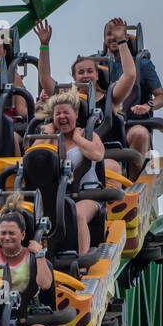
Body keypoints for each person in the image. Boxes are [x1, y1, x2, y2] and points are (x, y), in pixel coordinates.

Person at [41, 89, 105, 254]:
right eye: (58, 113)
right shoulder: (50, 138)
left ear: (76, 114)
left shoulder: (87, 134)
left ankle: (83, 261)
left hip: (87, 195)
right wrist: (46, 136)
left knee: (76, 214)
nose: (62, 116)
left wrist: (77, 139)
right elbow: (33, 162)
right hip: (57, 197)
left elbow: (97, 155)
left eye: (66, 112)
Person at [102, 17, 163, 180]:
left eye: (118, 34)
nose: (113, 38)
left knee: (140, 135)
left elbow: (162, 97)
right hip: (105, 126)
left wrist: (148, 105)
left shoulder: (142, 65)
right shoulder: (97, 66)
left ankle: (133, 183)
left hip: (132, 124)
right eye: (109, 34)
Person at [33, 20, 135, 120]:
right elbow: (45, 78)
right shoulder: (67, 97)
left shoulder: (110, 98)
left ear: (97, 75)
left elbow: (130, 75)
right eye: (81, 72)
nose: (86, 75)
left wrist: (121, 41)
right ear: (74, 77)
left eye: (90, 71)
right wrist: (44, 45)